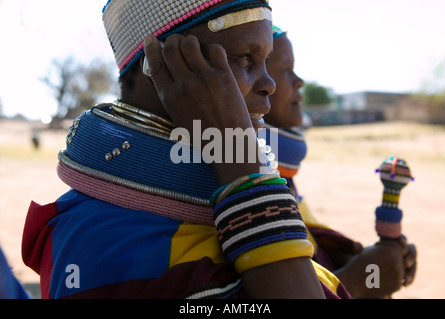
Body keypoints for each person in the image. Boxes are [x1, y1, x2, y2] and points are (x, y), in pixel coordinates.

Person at [22, 0, 351, 299]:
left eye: (265, 61)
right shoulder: (116, 241)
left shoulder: (195, 211)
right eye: (245, 58)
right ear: (163, 65)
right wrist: (235, 150)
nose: (269, 84)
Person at [262, 26, 418, 298]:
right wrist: (354, 283)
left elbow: (310, 256)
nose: (299, 81)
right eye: (286, 69)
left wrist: (377, 266)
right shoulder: (227, 183)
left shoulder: (281, 178)